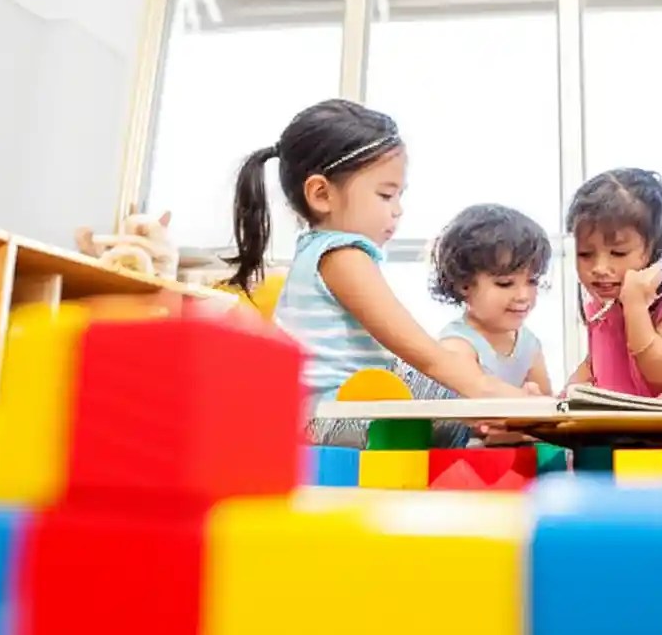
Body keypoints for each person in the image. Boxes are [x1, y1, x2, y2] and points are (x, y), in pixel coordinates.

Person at [226, 98, 533, 446]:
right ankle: (501, 425)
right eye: (386, 195)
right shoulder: (341, 256)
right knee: (442, 378)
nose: (398, 210)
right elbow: (424, 355)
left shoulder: (319, 252)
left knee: (447, 384)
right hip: (327, 421)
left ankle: (500, 421)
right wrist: (492, 392)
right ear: (321, 194)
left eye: (400, 195)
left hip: (327, 415)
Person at [397, 203, 553, 446]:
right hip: (463, 454)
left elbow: (547, 407)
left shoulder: (529, 343)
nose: (523, 295)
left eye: (532, 281)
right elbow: (468, 415)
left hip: (513, 450)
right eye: (505, 283)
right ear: (463, 284)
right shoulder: (458, 344)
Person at [564, 168, 662, 396]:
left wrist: (635, 306)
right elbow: (594, 367)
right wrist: (555, 400)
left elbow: (660, 372)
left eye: (618, 253)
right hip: (617, 428)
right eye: (585, 254)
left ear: (656, 251)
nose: (599, 268)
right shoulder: (600, 309)